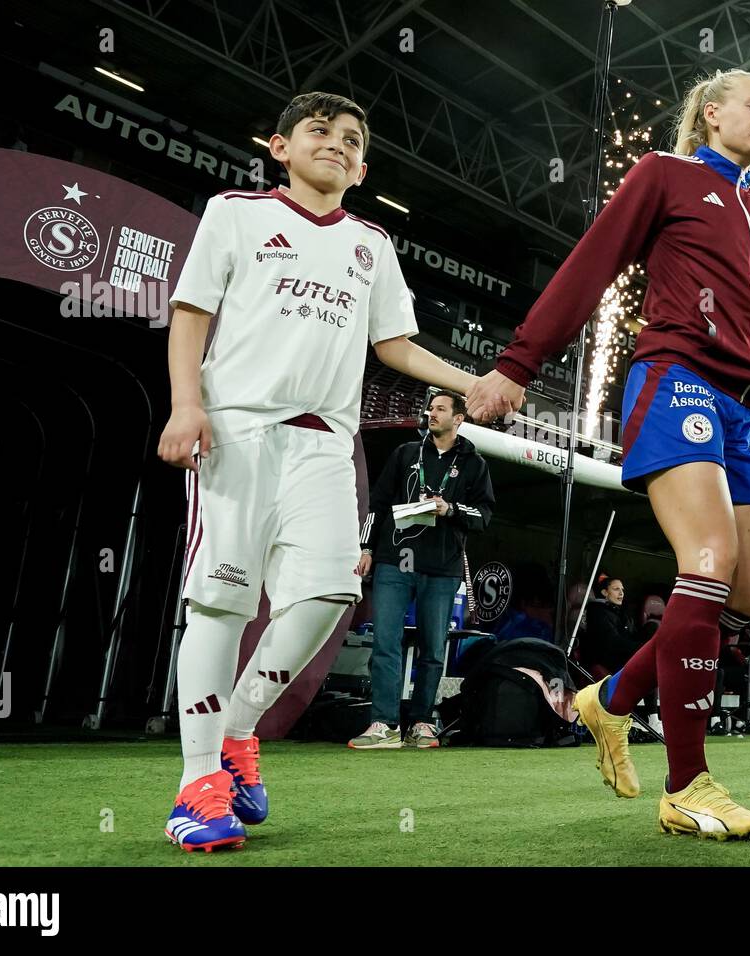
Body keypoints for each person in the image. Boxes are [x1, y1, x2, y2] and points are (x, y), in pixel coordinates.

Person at [466, 68, 750, 839]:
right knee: (706, 562)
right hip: (677, 379)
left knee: (745, 595)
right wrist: (517, 365)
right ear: (711, 114)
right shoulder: (666, 176)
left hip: (748, 416)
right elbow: (592, 264)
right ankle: (687, 785)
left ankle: (607, 701)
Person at [156, 92, 512, 852]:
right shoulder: (236, 212)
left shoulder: (372, 242)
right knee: (221, 604)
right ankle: (196, 784)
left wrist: (465, 381)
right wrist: (186, 405)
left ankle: (238, 731)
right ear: (279, 146)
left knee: (328, 595)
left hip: (324, 443)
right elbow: (191, 313)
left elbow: (396, 345)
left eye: (353, 139)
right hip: (237, 429)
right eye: (319, 131)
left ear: (363, 166)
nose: (338, 145)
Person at [349, 391, 494, 750]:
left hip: (442, 567)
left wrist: (451, 508)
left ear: (458, 419)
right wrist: (366, 547)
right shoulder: (406, 454)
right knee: (385, 641)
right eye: (430, 407)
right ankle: (384, 723)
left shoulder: (474, 464)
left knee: (432, 648)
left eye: (440, 409)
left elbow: (484, 516)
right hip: (395, 559)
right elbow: (377, 505)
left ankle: (422, 722)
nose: (431, 413)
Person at [582, 575, 644, 674]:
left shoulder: (618, 611)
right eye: (616, 589)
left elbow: (632, 634)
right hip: (609, 663)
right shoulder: (598, 612)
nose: (621, 593)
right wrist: (641, 648)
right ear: (604, 592)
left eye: (622, 590)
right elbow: (613, 642)